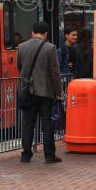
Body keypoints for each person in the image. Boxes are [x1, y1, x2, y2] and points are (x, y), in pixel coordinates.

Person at [18, 21, 63, 164]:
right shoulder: (50, 48)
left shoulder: (21, 47)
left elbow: (20, 67)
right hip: (45, 93)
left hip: (28, 91)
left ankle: (26, 154)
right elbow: (55, 72)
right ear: (46, 34)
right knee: (47, 123)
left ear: (32, 32)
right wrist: (58, 91)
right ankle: (49, 155)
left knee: (27, 124)